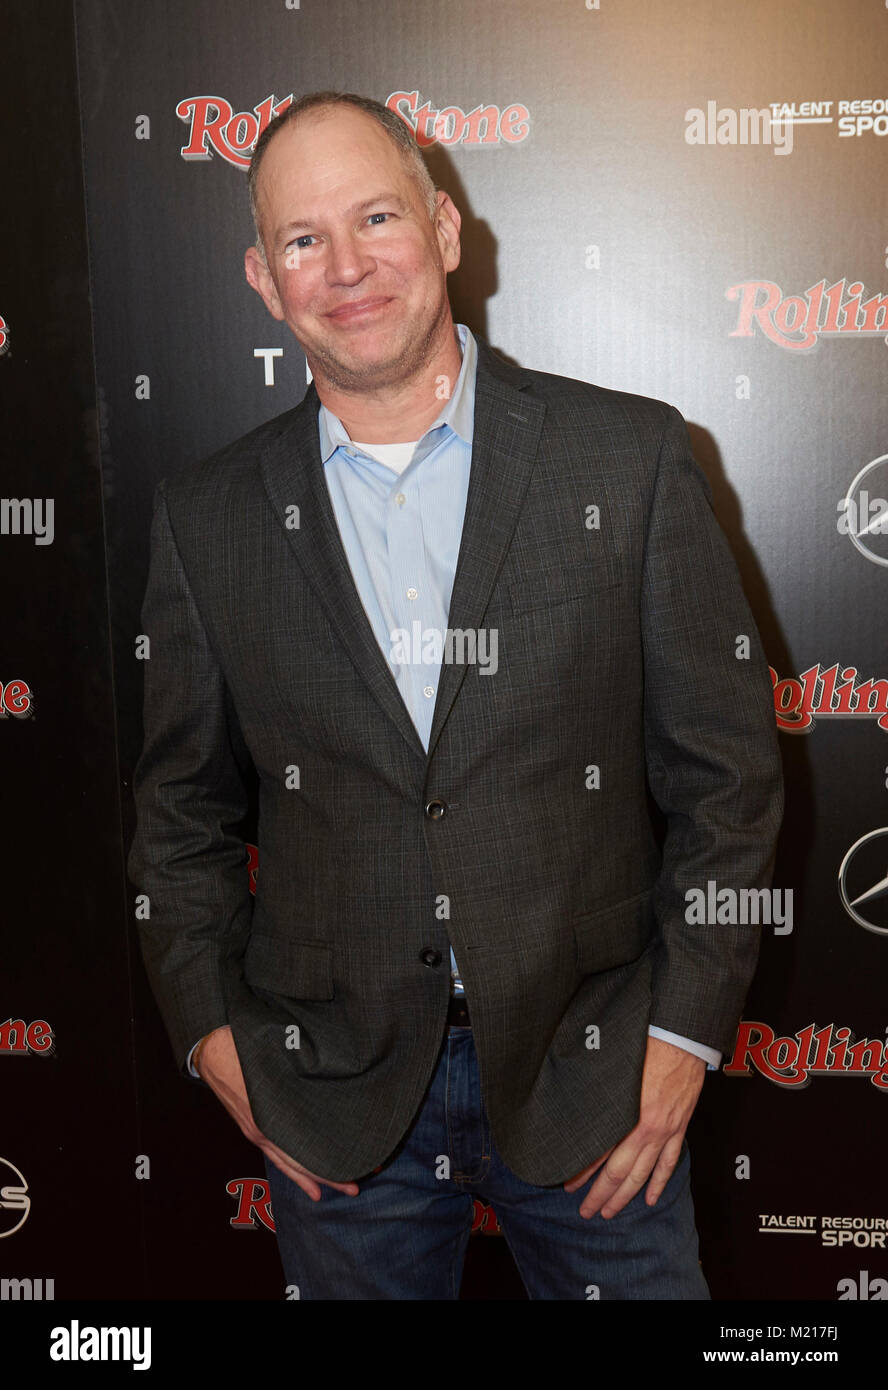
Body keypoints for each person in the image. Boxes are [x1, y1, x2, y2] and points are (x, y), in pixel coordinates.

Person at [128, 90, 783, 1300]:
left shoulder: (627, 460)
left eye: (375, 216)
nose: (347, 266)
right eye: (302, 240)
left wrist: (687, 1033)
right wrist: (215, 1037)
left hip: (599, 1083)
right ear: (264, 282)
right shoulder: (208, 516)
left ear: (443, 227)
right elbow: (180, 817)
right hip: (335, 1105)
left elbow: (729, 775)